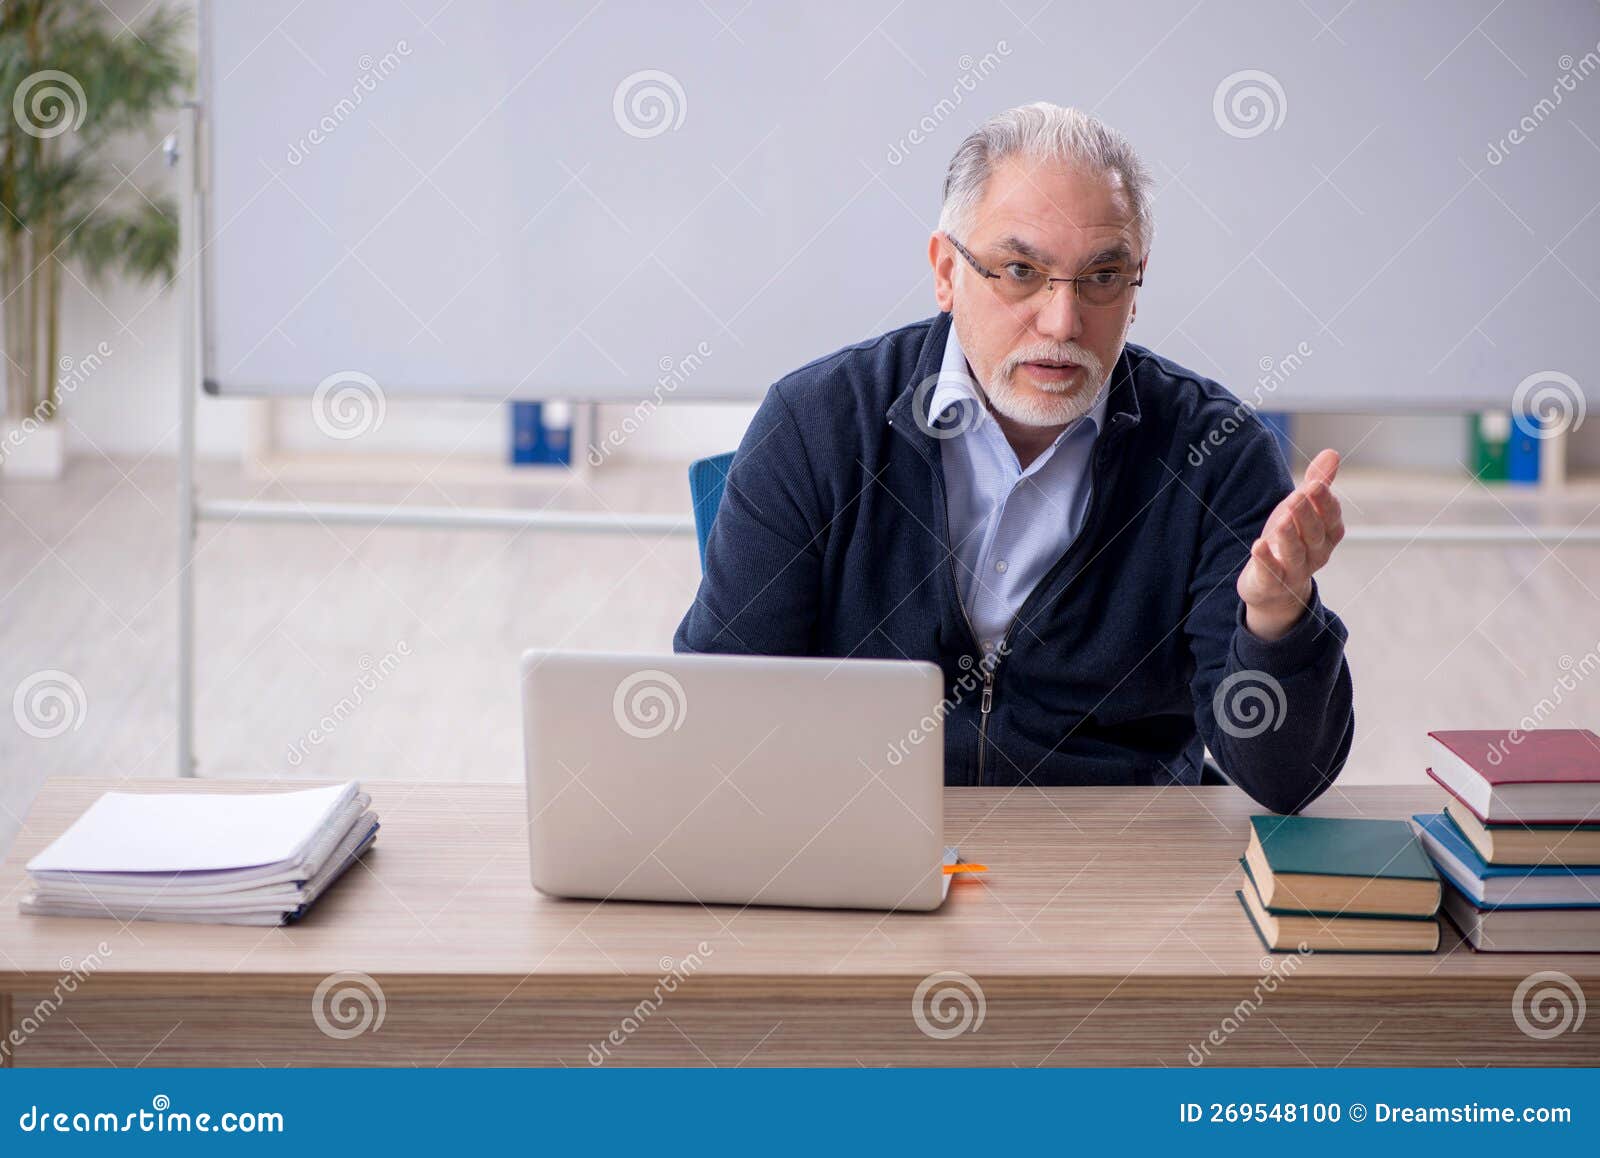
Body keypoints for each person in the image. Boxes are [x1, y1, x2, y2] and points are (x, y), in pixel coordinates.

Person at [675, 102, 1354, 814]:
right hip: (862, 846)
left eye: (1102, 278)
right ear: (946, 271)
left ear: (1136, 284)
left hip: (1120, 870)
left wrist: (1275, 621)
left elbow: (1286, 778)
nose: (1063, 323)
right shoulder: (816, 425)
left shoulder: (1216, 452)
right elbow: (721, 727)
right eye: (1021, 270)